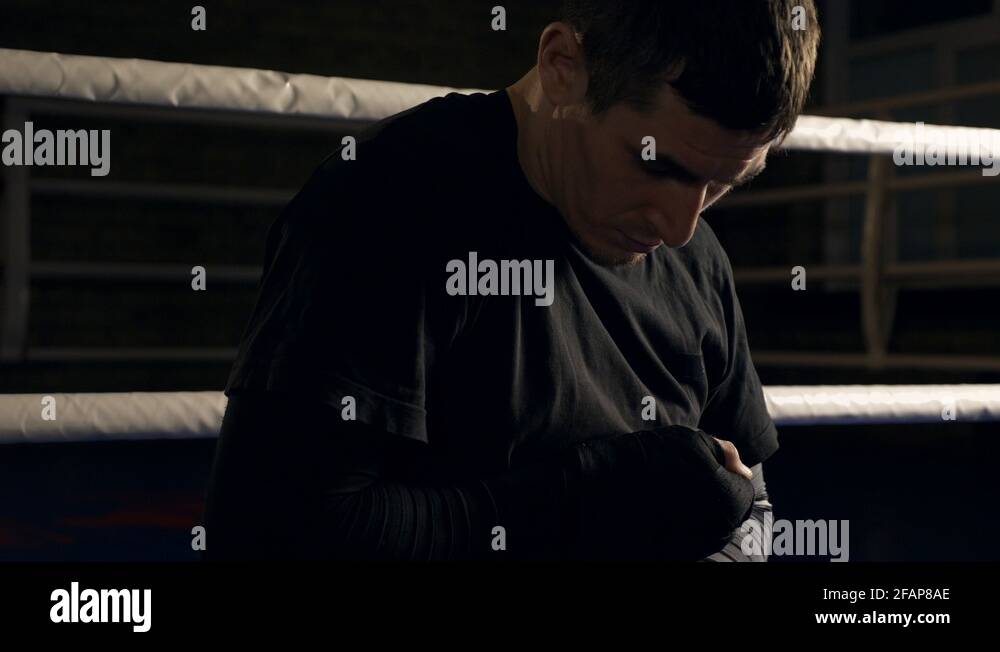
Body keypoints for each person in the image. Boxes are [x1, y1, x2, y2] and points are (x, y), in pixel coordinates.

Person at [203, 0, 820, 560]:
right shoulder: (389, 204)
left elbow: (749, 503)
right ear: (563, 67)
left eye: (722, 186)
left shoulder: (698, 257)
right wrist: (594, 492)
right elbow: (274, 534)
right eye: (655, 164)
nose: (680, 225)